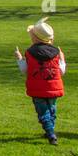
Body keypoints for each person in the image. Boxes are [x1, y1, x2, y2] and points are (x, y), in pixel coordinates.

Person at [15, 17, 65, 145]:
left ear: (34, 38)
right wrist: (63, 60)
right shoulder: (56, 52)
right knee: (51, 109)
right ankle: (50, 130)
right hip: (54, 86)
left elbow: (25, 70)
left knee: (43, 112)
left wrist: (20, 58)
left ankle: (50, 134)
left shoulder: (30, 53)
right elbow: (61, 71)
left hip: (37, 88)